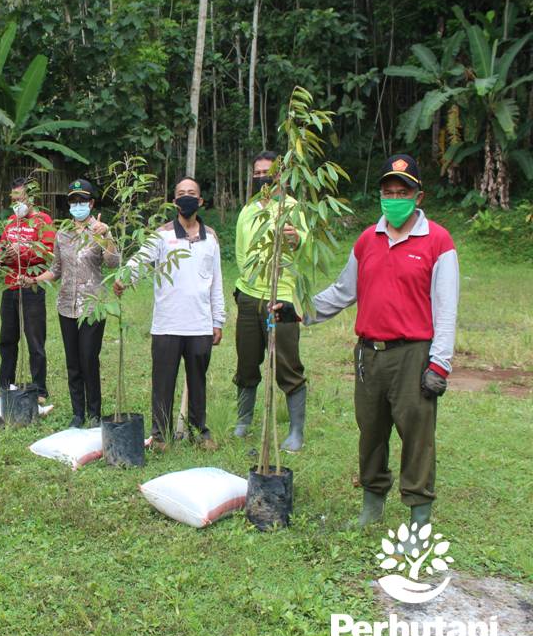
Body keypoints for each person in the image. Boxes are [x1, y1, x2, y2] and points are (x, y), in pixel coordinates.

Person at [292, 155, 458, 528]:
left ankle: (419, 516)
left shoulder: (437, 242)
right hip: (370, 354)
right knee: (371, 431)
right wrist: (300, 310)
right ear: (380, 194)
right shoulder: (368, 239)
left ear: (418, 196)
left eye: (403, 191)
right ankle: (371, 508)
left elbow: (446, 308)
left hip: (413, 355)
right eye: (388, 192)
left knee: (417, 436)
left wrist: (440, 363)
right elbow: (343, 291)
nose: (395, 198)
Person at [114, 177, 225, 450]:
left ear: (200, 201)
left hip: (199, 324)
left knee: (198, 382)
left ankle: (200, 432)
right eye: (181, 193)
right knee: (163, 382)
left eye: (192, 193)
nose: (186, 198)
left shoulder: (210, 237)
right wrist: (123, 278)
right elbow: (139, 261)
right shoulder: (162, 235)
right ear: (174, 201)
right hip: (167, 324)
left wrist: (218, 319)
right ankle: (161, 435)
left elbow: (217, 281)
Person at [21, 179, 118, 428]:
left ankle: (94, 413)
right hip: (67, 307)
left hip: (92, 306)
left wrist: (106, 235)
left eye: (82, 201)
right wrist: (33, 279)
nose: (78, 205)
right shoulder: (62, 234)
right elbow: (56, 269)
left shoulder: (100, 231)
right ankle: (78, 414)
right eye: (74, 201)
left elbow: (113, 263)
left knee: (88, 359)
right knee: (73, 362)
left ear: (91, 203)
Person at [233, 150, 309, 451]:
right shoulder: (248, 210)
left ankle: (296, 431)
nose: (263, 177)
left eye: (269, 172)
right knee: (247, 361)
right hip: (250, 296)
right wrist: (246, 289)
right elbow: (241, 251)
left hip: (282, 298)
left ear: (281, 175)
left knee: (286, 364)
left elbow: (305, 246)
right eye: (258, 173)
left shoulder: (293, 209)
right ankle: (243, 421)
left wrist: (296, 240)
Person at [0, 177, 55, 401]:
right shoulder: (11, 222)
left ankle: (39, 389)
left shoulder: (43, 221)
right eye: (13, 200)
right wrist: (5, 255)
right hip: (10, 286)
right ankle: (5, 384)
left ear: (30, 198)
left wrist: (21, 254)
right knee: (7, 338)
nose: (16, 203)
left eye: (19, 199)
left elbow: (47, 254)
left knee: (34, 340)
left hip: (32, 286)